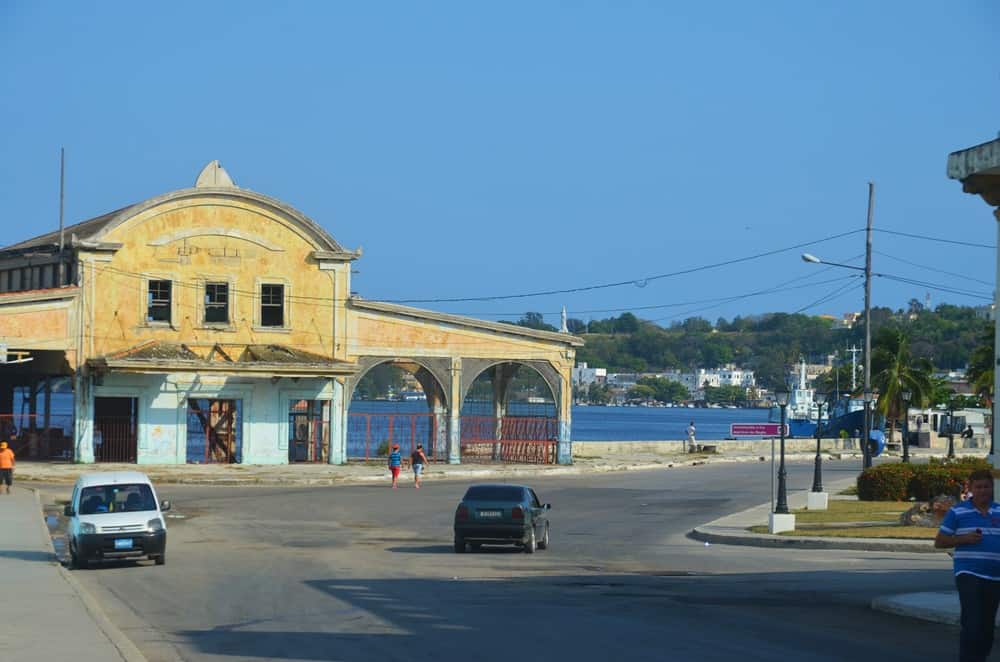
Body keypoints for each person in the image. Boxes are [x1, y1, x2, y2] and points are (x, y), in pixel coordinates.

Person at [935, 469, 1000, 662]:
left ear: (992, 488)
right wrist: (963, 539)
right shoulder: (958, 512)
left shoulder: (999, 511)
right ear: (970, 489)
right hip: (968, 573)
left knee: (987, 625)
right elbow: (940, 541)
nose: (983, 491)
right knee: (972, 621)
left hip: (995, 576)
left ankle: (980, 656)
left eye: (986, 487)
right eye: (978, 487)